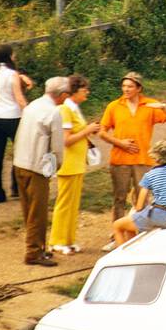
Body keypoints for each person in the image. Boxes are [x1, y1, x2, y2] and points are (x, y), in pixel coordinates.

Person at [98, 72, 166, 221]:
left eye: (130, 86)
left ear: (139, 88)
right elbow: (102, 133)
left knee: (142, 197)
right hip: (120, 160)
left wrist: (163, 107)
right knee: (119, 198)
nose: (126, 89)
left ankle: (139, 228)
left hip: (142, 160)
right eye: (124, 86)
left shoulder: (149, 105)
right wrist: (120, 143)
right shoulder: (114, 106)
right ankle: (117, 231)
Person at [11, 77, 71, 266]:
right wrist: (54, 169)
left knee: (28, 209)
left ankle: (37, 247)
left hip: (20, 163)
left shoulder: (31, 107)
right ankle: (33, 252)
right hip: (37, 167)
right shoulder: (53, 113)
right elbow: (57, 148)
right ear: (62, 95)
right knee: (38, 212)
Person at [49, 75, 100, 255]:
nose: (87, 93)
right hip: (68, 164)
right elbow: (66, 140)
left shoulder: (75, 109)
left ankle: (69, 239)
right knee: (64, 203)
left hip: (78, 163)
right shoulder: (65, 110)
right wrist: (87, 130)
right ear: (75, 91)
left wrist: (89, 132)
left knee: (73, 204)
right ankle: (57, 240)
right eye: (84, 90)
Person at [0, 45, 34, 204]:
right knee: (19, 152)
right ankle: (16, 187)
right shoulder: (12, 74)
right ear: (9, 56)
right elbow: (19, 98)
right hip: (12, 117)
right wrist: (29, 110)